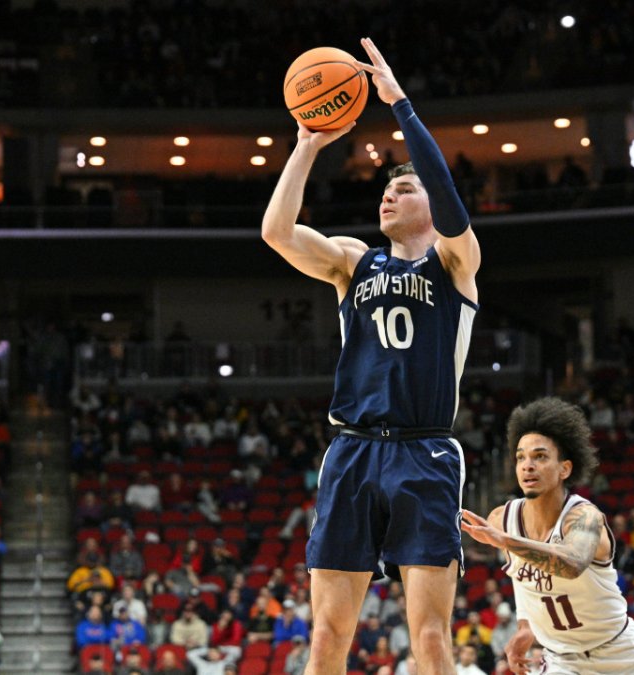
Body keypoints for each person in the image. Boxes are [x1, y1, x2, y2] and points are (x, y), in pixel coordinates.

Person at [261, 37, 480, 675]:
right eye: (386, 190)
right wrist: (306, 145)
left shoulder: (455, 263)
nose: (389, 195)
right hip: (353, 447)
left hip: (425, 450)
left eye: (404, 189)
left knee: (431, 638)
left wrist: (401, 107)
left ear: (431, 207)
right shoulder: (352, 261)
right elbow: (276, 233)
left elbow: (449, 199)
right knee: (328, 637)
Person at [460, 398, 634, 674]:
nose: (527, 465)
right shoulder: (503, 520)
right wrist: (525, 626)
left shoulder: (584, 517)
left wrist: (506, 541)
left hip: (619, 654)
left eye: (540, 456)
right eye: (521, 457)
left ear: (565, 468)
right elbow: (522, 579)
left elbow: (571, 563)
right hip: (562, 661)